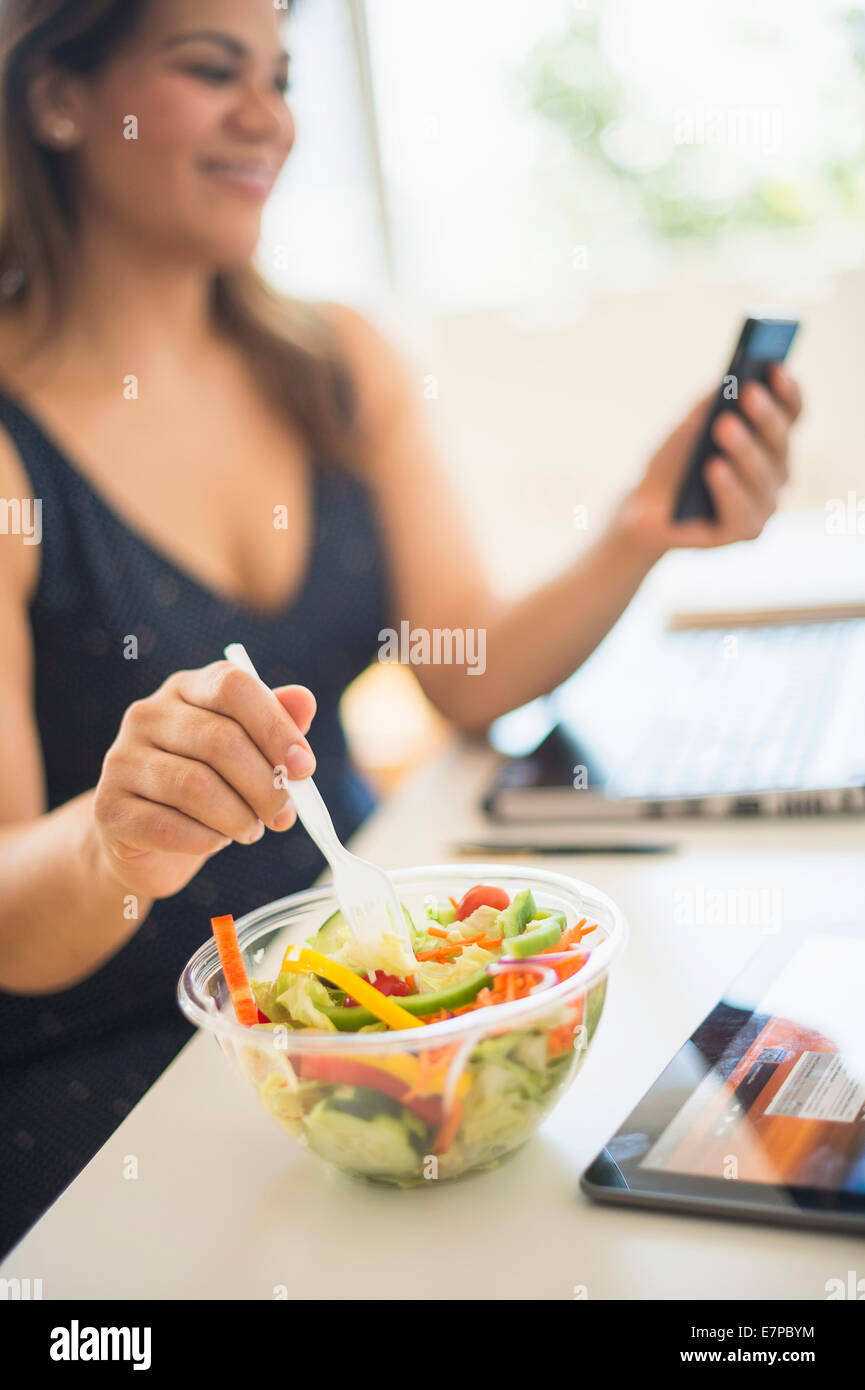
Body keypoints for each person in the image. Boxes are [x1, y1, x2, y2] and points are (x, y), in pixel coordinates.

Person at [0, 0, 802, 1255]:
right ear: (56, 98)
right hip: (112, 1073)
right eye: (215, 72)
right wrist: (117, 844)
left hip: (372, 1002)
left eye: (282, 74)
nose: (270, 117)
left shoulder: (332, 360)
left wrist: (637, 528)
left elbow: (466, 670)